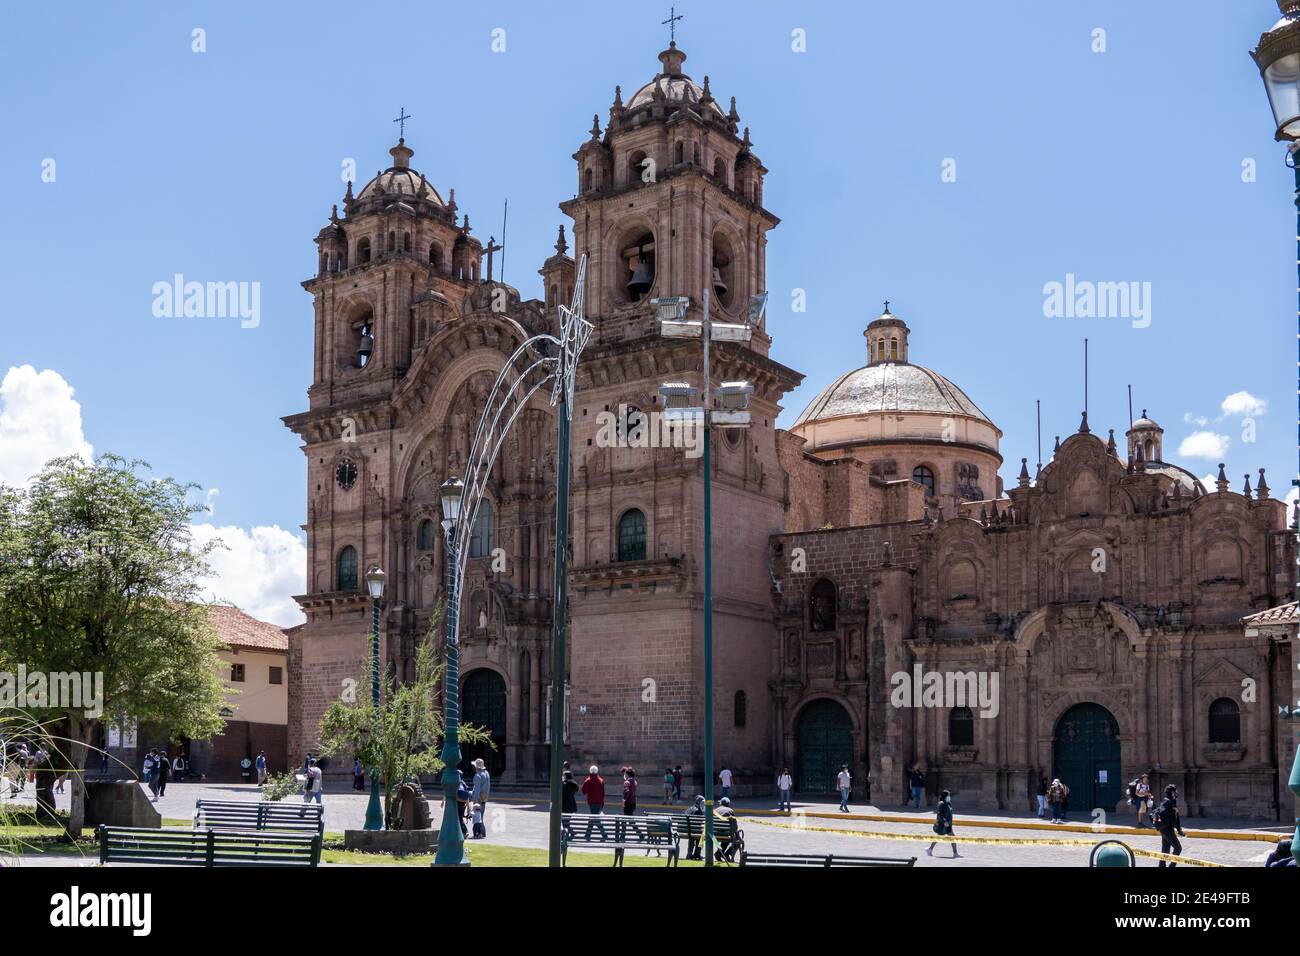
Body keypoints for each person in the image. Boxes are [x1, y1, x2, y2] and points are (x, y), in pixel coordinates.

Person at [1153, 784, 1186, 868]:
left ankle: (1161, 865)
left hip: (1166, 828)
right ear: (1172, 792)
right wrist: (1172, 811)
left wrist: (1179, 831)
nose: (1177, 792)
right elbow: (1162, 812)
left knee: (1165, 850)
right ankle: (1172, 866)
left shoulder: (1171, 801)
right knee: (1178, 848)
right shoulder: (1167, 801)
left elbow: (1176, 818)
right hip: (1166, 829)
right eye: (1175, 791)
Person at [927, 789, 960, 858]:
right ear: (944, 796)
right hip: (944, 824)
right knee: (949, 837)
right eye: (948, 796)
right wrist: (945, 821)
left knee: (948, 837)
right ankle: (955, 853)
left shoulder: (949, 803)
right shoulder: (941, 804)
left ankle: (930, 849)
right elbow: (940, 815)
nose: (949, 797)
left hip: (948, 824)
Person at [715, 796, 741, 862]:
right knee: (738, 840)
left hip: (714, 834)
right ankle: (727, 853)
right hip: (727, 834)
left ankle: (719, 853)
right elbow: (735, 826)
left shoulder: (715, 810)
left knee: (725, 839)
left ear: (721, 803)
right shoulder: (730, 811)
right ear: (728, 804)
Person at [685, 794, 707, 860]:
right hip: (693, 830)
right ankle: (697, 854)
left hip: (686, 830)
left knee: (694, 834)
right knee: (701, 835)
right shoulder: (698, 811)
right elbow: (699, 824)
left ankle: (689, 854)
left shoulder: (689, 809)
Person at [470, 757, 491, 825]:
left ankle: (478, 833)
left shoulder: (478, 775)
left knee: (477, 818)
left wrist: (474, 799)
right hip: (484, 798)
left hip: (478, 799)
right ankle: (482, 832)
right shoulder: (486, 773)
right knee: (481, 816)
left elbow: (477, 789)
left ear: (477, 767)